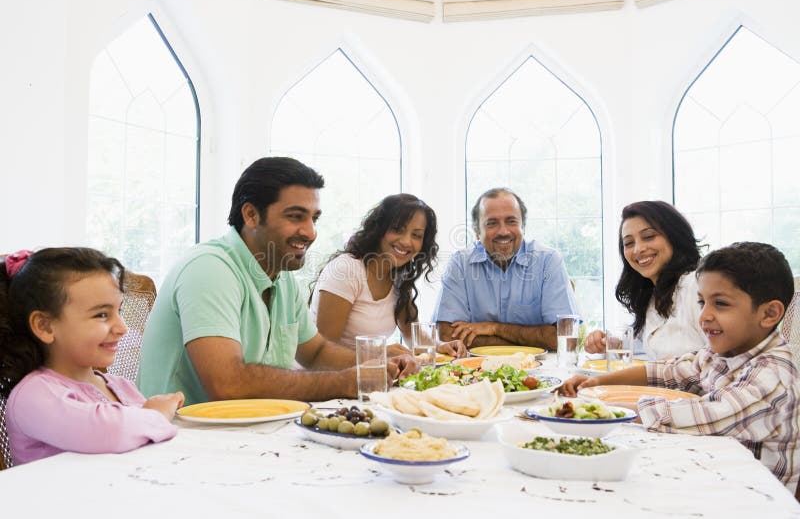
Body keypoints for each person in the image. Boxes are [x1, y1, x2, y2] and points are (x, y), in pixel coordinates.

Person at [137, 157, 418, 405]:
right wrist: (343, 382)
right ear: (251, 214)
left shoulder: (281, 277)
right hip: (183, 439)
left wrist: (379, 363)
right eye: (295, 217)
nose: (310, 232)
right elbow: (227, 384)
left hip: (249, 433)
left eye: (314, 219)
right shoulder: (209, 269)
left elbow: (316, 353)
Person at [560, 242, 799, 490]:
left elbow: (705, 414)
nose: (704, 316)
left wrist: (597, 406)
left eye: (721, 304)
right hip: (717, 474)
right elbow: (667, 371)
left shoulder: (773, 375)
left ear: (769, 313)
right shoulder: (724, 352)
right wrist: (598, 382)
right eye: (701, 302)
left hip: (754, 500)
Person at [0, 248, 182, 465]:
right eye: (102, 314)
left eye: (119, 311)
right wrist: (157, 414)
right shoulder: (33, 396)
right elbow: (112, 432)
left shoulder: (120, 386)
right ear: (45, 326)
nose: (122, 327)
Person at [310, 194, 466, 358]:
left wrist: (441, 346)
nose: (406, 242)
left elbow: (415, 337)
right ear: (379, 229)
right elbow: (323, 352)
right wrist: (379, 353)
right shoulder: (346, 270)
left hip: (366, 376)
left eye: (417, 235)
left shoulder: (399, 277)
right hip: (328, 379)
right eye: (398, 229)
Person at [432, 187, 578, 350]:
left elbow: (566, 339)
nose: (503, 231)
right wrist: (533, 338)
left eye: (511, 221)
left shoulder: (549, 260)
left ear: (523, 226)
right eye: (492, 223)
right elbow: (446, 336)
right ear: (477, 231)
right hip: (475, 369)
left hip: (542, 369)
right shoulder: (460, 263)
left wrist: (495, 328)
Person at [584, 201, 706, 360]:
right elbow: (648, 352)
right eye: (628, 243)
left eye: (648, 237)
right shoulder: (652, 294)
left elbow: (721, 359)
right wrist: (610, 343)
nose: (638, 249)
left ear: (674, 236)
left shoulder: (696, 286)